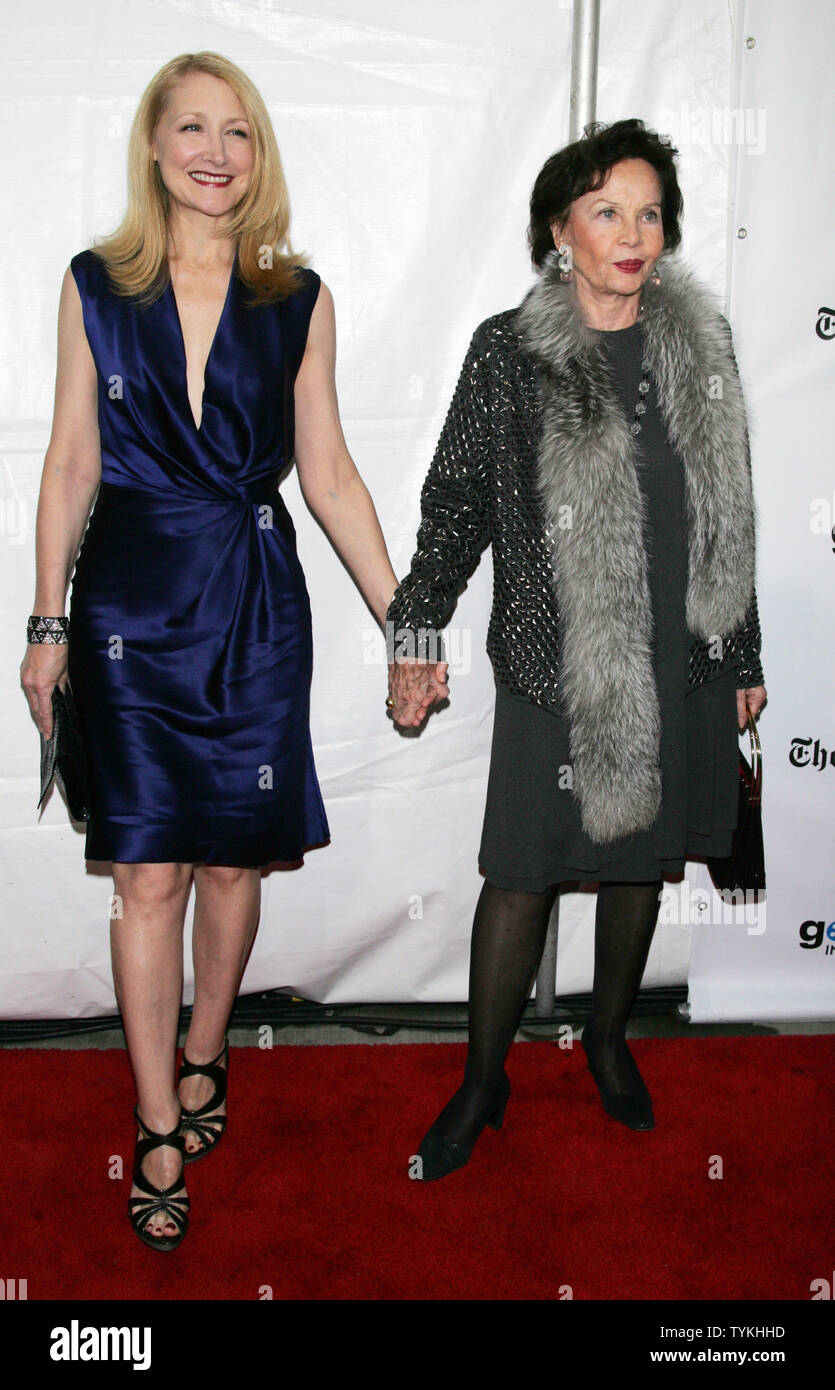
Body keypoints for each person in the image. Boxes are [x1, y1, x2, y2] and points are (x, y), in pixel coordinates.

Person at [20, 51, 401, 1248]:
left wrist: (411, 618)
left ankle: (203, 1043)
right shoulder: (95, 284)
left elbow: (327, 473)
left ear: (259, 153)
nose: (215, 151)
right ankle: (152, 1119)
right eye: (191, 128)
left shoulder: (298, 296)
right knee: (147, 877)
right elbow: (72, 460)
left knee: (233, 867)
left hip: (250, 609)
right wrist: (44, 622)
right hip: (127, 613)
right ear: (153, 145)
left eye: (237, 132)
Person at [386, 118, 767, 1181]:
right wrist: (415, 631)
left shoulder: (702, 344)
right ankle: (480, 1077)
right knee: (519, 872)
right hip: (557, 653)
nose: (631, 233)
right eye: (606, 211)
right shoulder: (509, 352)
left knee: (637, 861)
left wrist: (739, 652)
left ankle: (605, 1040)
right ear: (562, 231)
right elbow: (454, 509)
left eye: (648, 213)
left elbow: (729, 505)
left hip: (676, 645)